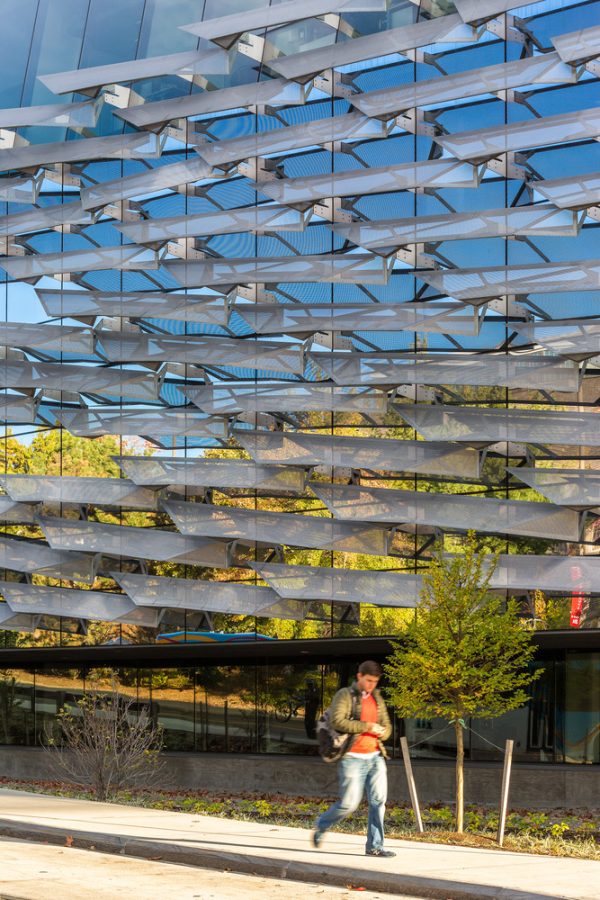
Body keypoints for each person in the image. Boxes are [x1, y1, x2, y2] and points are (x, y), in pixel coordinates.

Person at [312, 660, 395, 858]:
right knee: (349, 804)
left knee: (378, 802)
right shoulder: (345, 695)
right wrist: (367, 726)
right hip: (352, 758)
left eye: (375, 681)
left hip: (375, 757)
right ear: (359, 676)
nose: (372, 685)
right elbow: (337, 721)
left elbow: (387, 726)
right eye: (368, 681)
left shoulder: (377, 698)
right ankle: (322, 825)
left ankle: (375, 846)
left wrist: (382, 732)